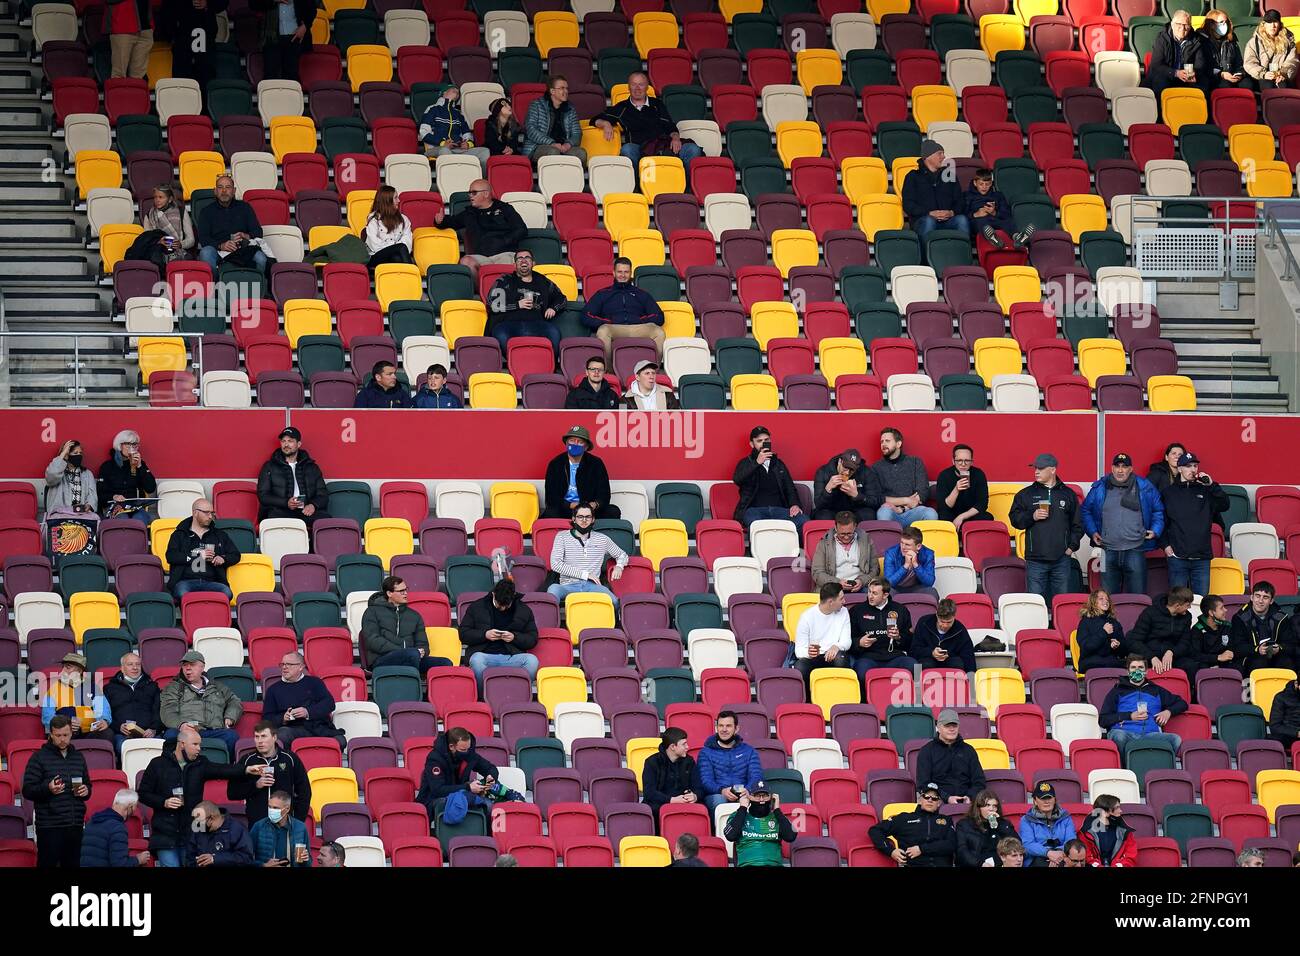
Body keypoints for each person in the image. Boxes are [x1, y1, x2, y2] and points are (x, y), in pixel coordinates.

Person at [137, 726, 246, 867]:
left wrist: (246, 769)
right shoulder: (157, 764)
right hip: (165, 833)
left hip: (193, 832)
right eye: (195, 744)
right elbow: (143, 794)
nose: (199, 748)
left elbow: (222, 769)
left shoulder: (200, 763)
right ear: (182, 744)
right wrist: (164, 802)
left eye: (199, 744)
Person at [592, 71, 704, 183]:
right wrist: (606, 124)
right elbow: (594, 119)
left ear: (646, 87)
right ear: (628, 87)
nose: (637, 88)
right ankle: (637, 186)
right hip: (639, 148)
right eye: (633, 84)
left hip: (662, 146)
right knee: (627, 149)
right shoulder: (622, 107)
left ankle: (688, 186)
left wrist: (675, 138)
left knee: (692, 149)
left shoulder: (657, 104)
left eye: (641, 84)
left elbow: (670, 126)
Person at [1081, 453, 1164, 597]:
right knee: (1107, 599)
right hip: (1108, 549)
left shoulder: (1144, 486)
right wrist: (1092, 531)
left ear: (1131, 469)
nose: (1120, 470)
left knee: (1138, 598)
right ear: (1112, 468)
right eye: (1117, 466)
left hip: (1136, 549)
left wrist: (1156, 530)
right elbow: (1086, 510)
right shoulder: (1100, 487)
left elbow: (1158, 510)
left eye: (1124, 467)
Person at [1010, 452, 1083, 605]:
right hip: (1035, 560)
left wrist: (1071, 547)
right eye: (1035, 468)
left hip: (1061, 559)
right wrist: (1032, 516)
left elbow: (1078, 523)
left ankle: (1059, 629)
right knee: (1035, 604)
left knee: (1061, 603)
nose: (1036, 471)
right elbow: (1015, 520)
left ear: (1053, 470)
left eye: (1040, 468)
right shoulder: (1025, 494)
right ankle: (1036, 629)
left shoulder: (1068, 494)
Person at [21, 715, 91, 868]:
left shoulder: (79, 757)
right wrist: (48, 788)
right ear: (51, 734)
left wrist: (86, 791)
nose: (62, 739)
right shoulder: (38, 758)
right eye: (58, 735)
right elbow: (27, 790)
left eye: (65, 735)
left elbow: (88, 786)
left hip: (75, 824)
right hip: (49, 825)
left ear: (71, 733)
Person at [1161, 451, 1228, 597]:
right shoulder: (1168, 492)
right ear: (1179, 469)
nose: (1193, 470)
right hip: (1178, 557)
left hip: (1201, 558)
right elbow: (1163, 521)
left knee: (1201, 602)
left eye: (1195, 466)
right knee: (1178, 602)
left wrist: (1212, 485)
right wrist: (1165, 545)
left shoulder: (1206, 490)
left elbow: (1225, 505)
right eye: (1188, 466)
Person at [1099, 654, 1188, 760]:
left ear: (1146, 671)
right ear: (1128, 671)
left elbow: (1182, 703)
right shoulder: (1117, 691)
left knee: (1175, 739)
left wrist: (1168, 712)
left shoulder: (1156, 690)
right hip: (1125, 733)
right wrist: (1129, 716)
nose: (1137, 670)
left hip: (1150, 734)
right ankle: (1126, 769)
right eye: (1133, 667)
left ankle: (1156, 769)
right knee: (1119, 736)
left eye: (1140, 668)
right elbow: (1103, 720)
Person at [434, 179, 527, 281]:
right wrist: (439, 221)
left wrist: (503, 241)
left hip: (505, 254)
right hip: (481, 257)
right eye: (469, 193)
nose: (470, 196)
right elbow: (451, 222)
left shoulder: (505, 208)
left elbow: (521, 230)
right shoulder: (469, 213)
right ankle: (482, 292)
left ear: (486, 194)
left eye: (474, 193)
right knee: (466, 261)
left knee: (515, 265)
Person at [362, 575, 453, 677]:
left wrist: (422, 651)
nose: (405, 593)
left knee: (445, 663)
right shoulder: (372, 612)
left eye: (406, 589)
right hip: (381, 659)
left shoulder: (414, 615)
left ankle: (430, 692)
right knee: (412, 654)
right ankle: (411, 688)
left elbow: (423, 644)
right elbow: (373, 641)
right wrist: (402, 650)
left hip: (411, 657)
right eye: (401, 591)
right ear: (389, 593)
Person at [582, 256, 666, 363]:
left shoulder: (641, 293)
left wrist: (639, 320)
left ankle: (653, 370)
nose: (623, 275)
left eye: (626, 272)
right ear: (614, 273)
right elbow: (585, 315)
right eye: (619, 272)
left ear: (630, 273)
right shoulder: (603, 293)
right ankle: (609, 370)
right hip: (614, 328)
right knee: (603, 331)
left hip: (638, 328)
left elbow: (659, 316)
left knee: (659, 332)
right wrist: (607, 322)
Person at [459, 579, 541, 688]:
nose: (502, 608)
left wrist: (514, 637)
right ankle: (483, 695)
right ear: (493, 594)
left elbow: (532, 639)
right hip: (485, 655)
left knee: (532, 661)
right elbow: (463, 634)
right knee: (476, 659)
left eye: (506, 606)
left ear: (513, 597)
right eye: (499, 605)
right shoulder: (477, 607)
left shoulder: (524, 610)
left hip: (512, 656)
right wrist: (485, 635)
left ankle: (519, 692)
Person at [159, 650, 241, 756]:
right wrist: (181, 725)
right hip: (187, 730)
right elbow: (168, 710)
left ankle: (224, 767)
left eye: (192, 665)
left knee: (231, 736)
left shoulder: (217, 686)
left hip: (213, 731)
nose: (188, 668)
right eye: (185, 665)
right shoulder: (174, 687)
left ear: (202, 667)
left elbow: (234, 700)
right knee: (171, 735)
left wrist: (230, 716)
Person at [229, 721, 312, 823]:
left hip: (285, 824)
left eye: (264, 736)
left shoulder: (290, 759)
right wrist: (255, 785)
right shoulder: (247, 761)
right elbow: (232, 793)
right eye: (257, 737)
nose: (260, 741)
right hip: (257, 824)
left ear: (274, 737)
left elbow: (305, 792)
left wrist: (297, 821)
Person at [547, 503, 628, 607]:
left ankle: (614, 622)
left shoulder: (602, 539)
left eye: (588, 517)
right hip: (567, 585)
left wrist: (619, 566)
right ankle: (551, 623)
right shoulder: (562, 537)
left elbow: (622, 555)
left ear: (593, 519)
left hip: (593, 586)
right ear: (574, 519)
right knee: (552, 590)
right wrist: (585, 575)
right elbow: (555, 564)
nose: (584, 520)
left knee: (614, 602)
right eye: (580, 517)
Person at [486, 248, 566, 351]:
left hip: (536, 324)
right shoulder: (505, 280)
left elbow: (562, 298)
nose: (523, 260)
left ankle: (550, 365)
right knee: (500, 334)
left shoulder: (542, 281)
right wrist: (517, 305)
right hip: (508, 324)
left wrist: (553, 308)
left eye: (527, 258)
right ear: (514, 265)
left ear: (533, 263)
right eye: (519, 258)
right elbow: (492, 304)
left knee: (554, 332)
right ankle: (516, 362)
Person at [731, 425, 807, 532]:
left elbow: (790, 488)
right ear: (752, 444)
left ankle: (788, 548)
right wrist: (756, 463)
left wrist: (795, 504)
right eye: (759, 441)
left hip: (779, 510)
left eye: (766, 440)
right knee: (757, 525)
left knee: (803, 520)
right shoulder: (746, 463)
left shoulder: (778, 464)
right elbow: (737, 479)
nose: (763, 443)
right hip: (754, 511)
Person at [901, 140, 971, 252]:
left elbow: (960, 201)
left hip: (948, 220)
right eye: (940, 153)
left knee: (962, 220)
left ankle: (962, 256)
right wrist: (929, 213)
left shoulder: (949, 175)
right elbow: (908, 204)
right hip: (923, 219)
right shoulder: (913, 176)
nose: (944, 157)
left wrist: (952, 212)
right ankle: (925, 262)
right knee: (929, 221)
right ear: (928, 156)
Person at [165, 498, 241, 600]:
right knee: (182, 593)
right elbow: (171, 556)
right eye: (206, 513)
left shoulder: (219, 535)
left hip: (213, 582)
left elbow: (236, 555)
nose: (210, 516)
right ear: (195, 513)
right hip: (185, 582)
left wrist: (223, 558)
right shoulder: (179, 535)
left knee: (226, 592)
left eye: (212, 513)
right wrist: (197, 556)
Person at [414, 727, 500, 817]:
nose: (467, 752)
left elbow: (490, 768)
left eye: (468, 748)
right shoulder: (435, 759)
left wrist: (491, 777)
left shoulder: (469, 754)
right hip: (433, 800)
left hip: (461, 795)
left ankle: (486, 830)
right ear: (451, 747)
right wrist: (468, 787)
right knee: (454, 805)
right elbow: (438, 790)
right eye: (463, 750)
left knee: (488, 805)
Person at [868, 781, 956, 867]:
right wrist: (891, 851)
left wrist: (921, 849)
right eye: (926, 796)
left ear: (939, 803)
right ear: (920, 800)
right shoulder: (904, 818)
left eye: (935, 798)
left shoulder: (946, 820)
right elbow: (875, 830)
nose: (930, 800)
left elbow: (951, 844)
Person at [542, 425, 621, 519]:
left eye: (580, 442)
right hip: (566, 509)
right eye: (572, 440)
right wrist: (571, 505)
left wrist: (594, 505)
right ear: (566, 443)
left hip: (589, 509)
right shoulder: (555, 464)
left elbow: (604, 494)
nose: (575, 444)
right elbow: (551, 497)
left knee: (613, 511)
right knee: (550, 513)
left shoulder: (596, 463)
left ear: (586, 447)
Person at [261, 652, 340, 747]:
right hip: (293, 729)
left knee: (341, 740)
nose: (284, 667)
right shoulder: (273, 690)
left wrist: (307, 712)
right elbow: (266, 719)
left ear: (301, 667)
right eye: (282, 664)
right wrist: (283, 718)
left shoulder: (315, 682)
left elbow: (329, 704)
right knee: (282, 734)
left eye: (289, 664)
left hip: (318, 727)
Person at [256, 426, 330, 526]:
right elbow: (263, 496)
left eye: (290, 441)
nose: (286, 444)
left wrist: (313, 505)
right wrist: (286, 503)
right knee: (272, 516)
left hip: (305, 511)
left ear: (298, 444)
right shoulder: (269, 466)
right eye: (283, 441)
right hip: (281, 511)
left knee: (326, 519)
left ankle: (312, 542)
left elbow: (323, 495)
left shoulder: (312, 467)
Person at [196, 175, 267, 274]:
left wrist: (245, 235)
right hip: (218, 249)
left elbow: (258, 232)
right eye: (220, 187)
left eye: (228, 187)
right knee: (205, 253)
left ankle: (255, 286)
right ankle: (216, 286)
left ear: (234, 191)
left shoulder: (245, 207)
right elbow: (203, 238)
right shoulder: (206, 211)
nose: (224, 191)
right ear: (215, 191)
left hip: (242, 248)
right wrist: (221, 245)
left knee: (261, 259)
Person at [848, 577, 917, 679]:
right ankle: (865, 696)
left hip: (895, 656)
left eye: (875, 593)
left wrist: (898, 637)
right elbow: (848, 641)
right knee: (861, 671)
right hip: (868, 657)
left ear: (885, 595)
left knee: (916, 667)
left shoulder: (901, 610)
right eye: (869, 592)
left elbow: (911, 642)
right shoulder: (857, 611)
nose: (870, 596)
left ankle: (917, 695)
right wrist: (859, 642)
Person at [697, 711, 764, 813]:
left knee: (758, 799)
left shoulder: (749, 751)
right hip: (718, 795)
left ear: (736, 728)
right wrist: (722, 791)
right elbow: (705, 781)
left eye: (728, 726)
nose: (724, 729)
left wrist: (747, 790)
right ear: (716, 728)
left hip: (744, 793)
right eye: (721, 726)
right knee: (719, 800)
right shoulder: (706, 752)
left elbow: (756, 776)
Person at [916, 709, 986, 804]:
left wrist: (970, 797)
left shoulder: (969, 750)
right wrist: (947, 798)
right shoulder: (926, 751)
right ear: (938, 727)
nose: (952, 729)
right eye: (947, 726)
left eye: (954, 725)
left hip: (967, 803)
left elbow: (979, 781)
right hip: (937, 802)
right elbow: (924, 784)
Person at [41, 653, 114, 743]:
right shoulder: (54, 689)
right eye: (63, 667)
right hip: (64, 735)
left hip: (89, 733)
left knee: (107, 733)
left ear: (79, 671)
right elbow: (47, 717)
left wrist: (104, 721)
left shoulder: (93, 688)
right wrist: (65, 724)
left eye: (68, 667)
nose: (63, 671)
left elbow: (103, 709)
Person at [1230, 581, 1298, 674]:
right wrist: (1257, 649)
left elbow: (1291, 645)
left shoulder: (1281, 617)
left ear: (1271, 601)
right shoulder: (1240, 618)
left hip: (1276, 656)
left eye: (1265, 597)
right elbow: (1237, 648)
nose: (1260, 601)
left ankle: (1288, 688)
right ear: (1252, 597)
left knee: (1287, 663)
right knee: (1260, 662)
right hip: (1252, 657)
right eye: (1257, 596)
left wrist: (1279, 648)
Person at [873, 427, 937, 527]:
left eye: (887, 441)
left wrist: (901, 508)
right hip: (890, 511)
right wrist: (906, 500)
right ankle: (888, 542)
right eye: (882, 441)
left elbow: (923, 492)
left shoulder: (915, 462)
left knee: (931, 513)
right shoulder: (876, 468)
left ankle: (924, 543)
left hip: (913, 511)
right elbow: (877, 498)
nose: (883, 444)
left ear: (898, 444)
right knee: (883, 513)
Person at [1128, 587, 1196, 678]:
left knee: (1191, 666)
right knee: (1137, 666)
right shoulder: (1150, 613)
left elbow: (1185, 642)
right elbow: (1134, 641)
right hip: (1149, 655)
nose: (1189, 608)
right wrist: (1151, 657)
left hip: (1172, 656)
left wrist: (1171, 652)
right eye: (1187, 605)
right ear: (1177, 606)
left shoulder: (1187, 617)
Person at [418, 84, 489, 172]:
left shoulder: (458, 114)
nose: (456, 91)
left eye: (457, 91)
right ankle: (451, 180)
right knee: (445, 150)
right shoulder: (432, 109)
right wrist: (442, 143)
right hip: (436, 148)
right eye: (452, 89)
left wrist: (468, 144)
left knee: (484, 152)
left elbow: (467, 134)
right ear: (444, 93)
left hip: (457, 149)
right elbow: (423, 133)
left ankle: (481, 181)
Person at [793, 582, 852, 687]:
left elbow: (847, 641)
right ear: (830, 602)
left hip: (833, 655)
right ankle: (809, 698)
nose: (844, 601)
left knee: (841, 658)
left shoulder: (844, 612)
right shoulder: (807, 617)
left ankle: (841, 695)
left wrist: (837, 646)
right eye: (841, 599)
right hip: (813, 658)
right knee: (801, 666)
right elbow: (799, 651)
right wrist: (809, 653)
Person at [641, 728, 703, 827]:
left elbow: (699, 787)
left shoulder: (689, 761)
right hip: (660, 805)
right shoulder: (652, 762)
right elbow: (649, 793)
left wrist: (695, 796)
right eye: (684, 744)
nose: (688, 747)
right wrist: (672, 800)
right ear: (673, 747)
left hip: (685, 803)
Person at [722, 783, 796, 866]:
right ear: (749, 797)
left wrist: (777, 810)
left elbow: (791, 836)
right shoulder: (738, 816)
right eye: (757, 795)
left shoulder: (778, 818)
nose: (761, 799)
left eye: (765, 795)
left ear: (771, 797)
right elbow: (730, 836)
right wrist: (742, 808)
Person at [104, 652, 163, 754]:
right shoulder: (110, 688)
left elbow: (159, 710)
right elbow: (105, 715)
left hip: (149, 733)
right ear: (122, 668)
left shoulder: (152, 686)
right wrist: (118, 727)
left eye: (137, 664)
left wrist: (154, 729)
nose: (135, 667)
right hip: (122, 734)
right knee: (122, 747)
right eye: (130, 664)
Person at [163, 0, 226, 91]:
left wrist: (208, 3)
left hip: (205, 33)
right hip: (182, 32)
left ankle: (205, 103)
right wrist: (171, 34)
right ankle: (183, 102)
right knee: (182, 76)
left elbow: (223, 3)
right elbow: (168, 7)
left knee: (206, 74)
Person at [97, 428, 158, 522]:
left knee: (140, 519)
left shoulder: (140, 464)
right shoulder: (107, 466)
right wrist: (114, 496)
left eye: (134, 445)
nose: (132, 448)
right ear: (119, 445)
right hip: (115, 506)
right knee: (123, 520)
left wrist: (140, 466)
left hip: (135, 506)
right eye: (128, 444)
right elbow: (100, 493)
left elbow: (151, 488)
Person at [523, 75, 587, 164]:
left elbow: (577, 133)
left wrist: (568, 145)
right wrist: (551, 143)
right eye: (562, 88)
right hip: (538, 147)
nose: (566, 91)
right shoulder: (536, 105)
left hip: (563, 147)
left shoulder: (570, 108)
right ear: (552, 91)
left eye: (567, 88)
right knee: (553, 152)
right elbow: (531, 130)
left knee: (581, 153)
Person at [963, 167, 1032, 249]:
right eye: (981, 184)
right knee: (981, 223)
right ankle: (993, 238)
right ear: (975, 183)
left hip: (995, 219)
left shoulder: (998, 195)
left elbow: (1006, 213)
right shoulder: (967, 196)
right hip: (979, 221)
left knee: (1008, 221)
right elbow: (962, 214)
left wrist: (994, 212)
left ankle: (1018, 237)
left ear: (991, 183)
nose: (984, 187)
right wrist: (975, 214)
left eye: (987, 184)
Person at [810, 510, 878, 593]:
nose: (846, 537)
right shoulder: (824, 543)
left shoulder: (866, 540)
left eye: (849, 533)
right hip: (833, 586)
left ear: (855, 527)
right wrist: (837, 582)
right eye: (842, 534)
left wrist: (861, 581)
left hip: (861, 586)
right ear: (835, 527)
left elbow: (875, 569)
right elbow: (817, 573)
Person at [80, 788, 150, 867]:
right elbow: (120, 864)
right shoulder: (117, 828)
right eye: (135, 807)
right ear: (130, 807)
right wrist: (138, 860)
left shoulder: (91, 822)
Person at [812, 447, 883, 523]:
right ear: (840, 461)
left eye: (852, 469)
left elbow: (875, 502)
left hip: (855, 511)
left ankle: (861, 535)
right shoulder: (823, 472)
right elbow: (819, 504)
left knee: (868, 514)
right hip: (832, 510)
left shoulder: (866, 472)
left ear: (857, 467)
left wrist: (857, 496)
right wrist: (828, 489)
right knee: (823, 516)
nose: (847, 473)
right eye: (845, 467)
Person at [1146, 10, 1205, 98]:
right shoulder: (1162, 38)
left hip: (1187, 76)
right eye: (1179, 24)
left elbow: (1200, 64)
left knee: (1203, 87)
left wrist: (1193, 73)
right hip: (1166, 74)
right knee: (1161, 83)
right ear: (1172, 25)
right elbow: (1156, 64)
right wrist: (1176, 73)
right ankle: (1161, 110)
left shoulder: (1197, 40)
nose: (1182, 28)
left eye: (1186, 25)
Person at [1018, 781, 1077, 866]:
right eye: (1043, 798)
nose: (1046, 802)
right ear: (1035, 801)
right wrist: (1048, 853)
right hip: (1037, 859)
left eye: (1049, 798)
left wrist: (1058, 853)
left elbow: (1071, 841)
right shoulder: (1026, 820)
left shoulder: (1065, 818)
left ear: (1054, 799)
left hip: (1062, 856)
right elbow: (1027, 844)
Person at [253, 0, 314, 82]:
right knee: (271, 77)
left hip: (295, 36)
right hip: (271, 38)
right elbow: (253, 4)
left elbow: (312, 9)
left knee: (292, 78)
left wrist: (305, 26)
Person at [935, 444, 992, 529]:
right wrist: (956, 489)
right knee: (943, 517)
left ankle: (971, 538)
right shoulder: (944, 475)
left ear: (972, 462)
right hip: (951, 513)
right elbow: (944, 506)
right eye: (959, 460)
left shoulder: (978, 474)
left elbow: (982, 504)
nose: (963, 464)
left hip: (970, 514)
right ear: (953, 461)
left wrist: (962, 516)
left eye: (967, 460)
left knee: (987, 517)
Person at [250, 790, 313, 867]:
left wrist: (306, 860)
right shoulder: (259, 826)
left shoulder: (300, 828)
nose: (271, 810)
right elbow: (245, 859)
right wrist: (263, 865)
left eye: (275, 808)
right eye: (269, 807)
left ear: (287, 809)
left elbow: (308, 863)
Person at [955, 789, 1017, 867]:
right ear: (978, 808)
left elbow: (1017, 844)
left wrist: (1000, 825)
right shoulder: (964, 824)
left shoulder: (1003, 824)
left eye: (994, 806)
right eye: (987, 805)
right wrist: (980, 864)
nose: (991, 809)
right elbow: (962, 851)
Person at [1191, 593, 1250, 675]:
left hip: (1225, 663)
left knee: (1239, 667)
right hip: (1206, 664)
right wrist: (1217, 658)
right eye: (1221, 608)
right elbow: (1196, 655)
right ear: (1211, 613)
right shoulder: (1197, 630)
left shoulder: (1227, 626)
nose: (1226, 610)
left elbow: (1234, 647)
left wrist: (1231, 652)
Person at [911, 600, 977, 673]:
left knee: (958, 663)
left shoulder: (960, 629)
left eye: (949, 622)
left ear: (954, 616)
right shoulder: (924, 623)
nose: (945, 625)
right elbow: (914, 650)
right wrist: (931, 653)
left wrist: (971, 678)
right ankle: (916, 684)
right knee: (920, 665)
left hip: (950, 660)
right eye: (942, 621)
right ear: (936, 615)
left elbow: (968, 655)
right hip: (926, 659)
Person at [186, 800, 254, 867]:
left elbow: (246, 858)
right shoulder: (198, 830)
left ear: (212, 818)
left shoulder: (237, 829)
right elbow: (190, 856)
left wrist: (215, 859)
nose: (198, 825)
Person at [140, 184, 195, 267]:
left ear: (170, 199)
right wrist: (159, 241)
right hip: (159, 252)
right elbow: (147, 239)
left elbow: (191, 240)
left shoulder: (181, 211)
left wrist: (180, 244)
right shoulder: (149, 215)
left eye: (161, 197)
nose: (157, 200)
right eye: (155, 197)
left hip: (180, 251)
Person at [1075, 589, 1129, 674]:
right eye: (1101, 599)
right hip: (1091, 663)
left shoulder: (1114, 622)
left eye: (1107, 599)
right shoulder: (1085, 622)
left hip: (1111, 662)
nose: (1105, 601)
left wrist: (1118, 646)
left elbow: (1124, 651)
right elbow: (1086, 647)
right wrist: (1103, 632)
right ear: (1093, 602)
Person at [1078, 794, 1137, 867]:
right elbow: (1086, 857)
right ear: (1104, 812)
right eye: (1117, 808)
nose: (1121, 811)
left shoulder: (1125, 832)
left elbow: (1130, 857)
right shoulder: (1086, 832)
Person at [361, 185, 413, 268]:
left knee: (396, 258)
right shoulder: (374, 220)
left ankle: (406, 278)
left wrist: (394, 249)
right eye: (396, 198)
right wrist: (395, 246)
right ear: (387, 201)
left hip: (397, 255)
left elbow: (408, 242)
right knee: (401, 247)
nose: (399, 201)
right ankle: (413, 275)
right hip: (376, 257)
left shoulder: (404, 219)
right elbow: (375, 246)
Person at [1244, 9, 1298, 89]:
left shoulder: (1288, 41)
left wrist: (1283, 73)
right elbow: (1249, 63)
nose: (1273, 26)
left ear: (1280, 24)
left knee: (1283, 85)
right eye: (1269, 22)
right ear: (1264, 24)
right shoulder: (1254, 42)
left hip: (1281, 76)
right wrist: (1263, 74)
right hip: (1262, 76)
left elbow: (1292, 61)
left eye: (1275, 22)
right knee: (1267, 85)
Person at [1198, 9, 1250, 92]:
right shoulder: (1202, 40)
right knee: (1225, 85)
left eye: (1226, 22)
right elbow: (1202, 67)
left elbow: (1239, 62)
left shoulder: (1231, 41)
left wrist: (1239, 73)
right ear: (1211, 24)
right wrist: (1221, 74)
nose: (1224, 25)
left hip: (1231, 75)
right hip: (1212, 76)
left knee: (1247, 84)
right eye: (1221, 22)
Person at [45, 438, 97, 519]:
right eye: (75, 453)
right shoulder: (58, 472)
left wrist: (89, 505)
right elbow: (51, 477)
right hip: (60, 515)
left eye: (80, 453)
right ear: (67, 455)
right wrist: (62, 455)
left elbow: (92, 495)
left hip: (81, 515)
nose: (79, 455)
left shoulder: (87, 474)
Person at [883, 526, 938, 597]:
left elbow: (929, 582)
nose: (903, 547)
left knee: (932, 592)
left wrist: (916, 565)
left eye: (907, 545)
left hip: (917, 588)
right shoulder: (891, 553)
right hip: (897, 588)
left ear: (918, 546)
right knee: (887, 593)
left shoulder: (928, 554)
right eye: (902, 543)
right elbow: (888, 583)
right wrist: (905, 566)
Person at [107, 0, 153, 80]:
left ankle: (136, 92)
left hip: (145, 28)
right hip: (122, 27)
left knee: (139, 77)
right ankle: (118, 93)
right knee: (119, 75)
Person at [1268, 672, 1300, 752]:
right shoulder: (1281, 697)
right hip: (1287, 737)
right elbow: (1275, 727)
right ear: (1296, 684)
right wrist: (1297, 733)